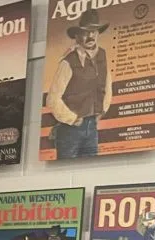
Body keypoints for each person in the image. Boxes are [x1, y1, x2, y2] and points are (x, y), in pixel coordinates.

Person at [47, 9, 112, 159]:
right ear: (77, 36)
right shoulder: (68, 61)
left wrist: (101, 111)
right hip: (70, 130)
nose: (90, 36)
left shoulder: (102, 56)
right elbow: (52, 99)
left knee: (91, 172)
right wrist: (72, 119)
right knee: (64, 174)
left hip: (92, 127)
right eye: (85, 32)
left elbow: (107, 86)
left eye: (94, 31)